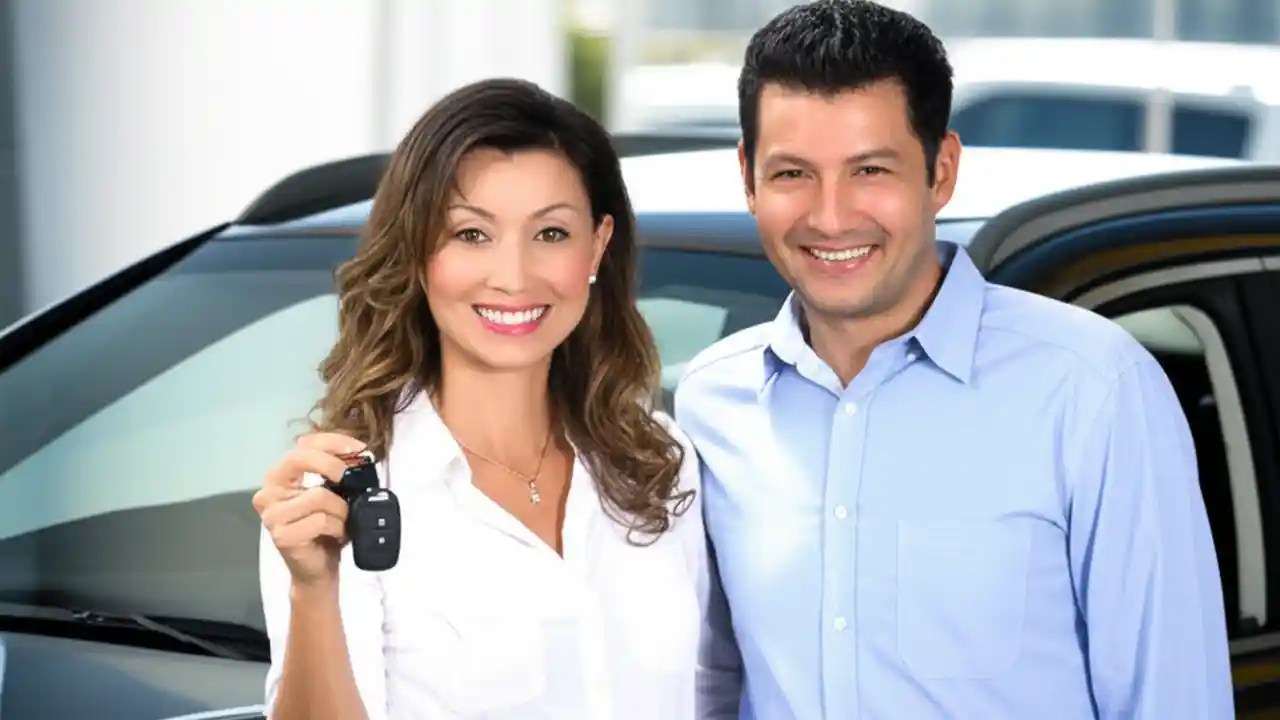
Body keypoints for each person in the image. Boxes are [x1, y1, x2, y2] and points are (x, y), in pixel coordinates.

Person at [673, 1, 1235, 718]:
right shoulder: (711, 403)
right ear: (748, 177)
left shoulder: (1092, 389)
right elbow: (708, 685)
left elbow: (1173, 699)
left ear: (941, 172)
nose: (831, 215)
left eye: (870, 169)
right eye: (792, 174)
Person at [251, 77, 740, 719]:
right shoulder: (348, 491)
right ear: (418, 250)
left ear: (597, 244)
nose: (512, 277)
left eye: (551, 234)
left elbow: (713, 698)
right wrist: (313, 591)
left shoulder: (659, 463)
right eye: (472, 235)